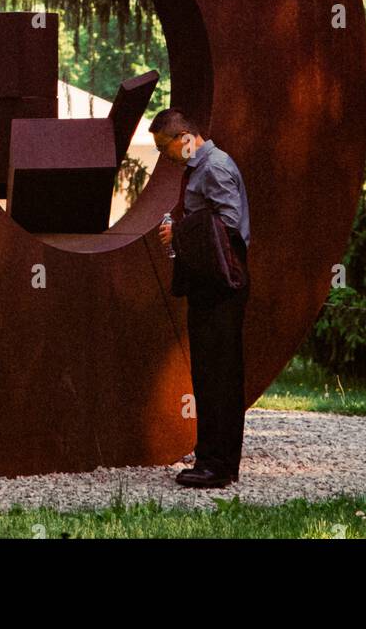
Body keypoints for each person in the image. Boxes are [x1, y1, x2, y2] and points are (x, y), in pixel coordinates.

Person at [151, 108, 250, 489]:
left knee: (220, 374)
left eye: (165, 147)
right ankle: (211, 458)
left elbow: (228, 224)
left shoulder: (216, 168)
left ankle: (219, 465)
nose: (165, 156)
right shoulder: (200, 168)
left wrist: (179, 232)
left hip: (223, 284)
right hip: (208, 282)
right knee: (208, 373)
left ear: (185, 137)